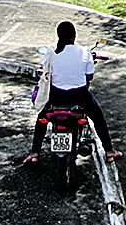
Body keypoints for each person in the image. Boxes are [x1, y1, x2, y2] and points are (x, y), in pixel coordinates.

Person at [25, 20, 119, 163]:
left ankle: (34, 153)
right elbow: (89, 77)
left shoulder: (51, 53)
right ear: (74, 35)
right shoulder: (84, 51)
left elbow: (44, 71)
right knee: (98, 118)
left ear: (58, 35)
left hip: (56, 97)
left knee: (41, 119)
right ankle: (110, 151)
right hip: (80, 96)